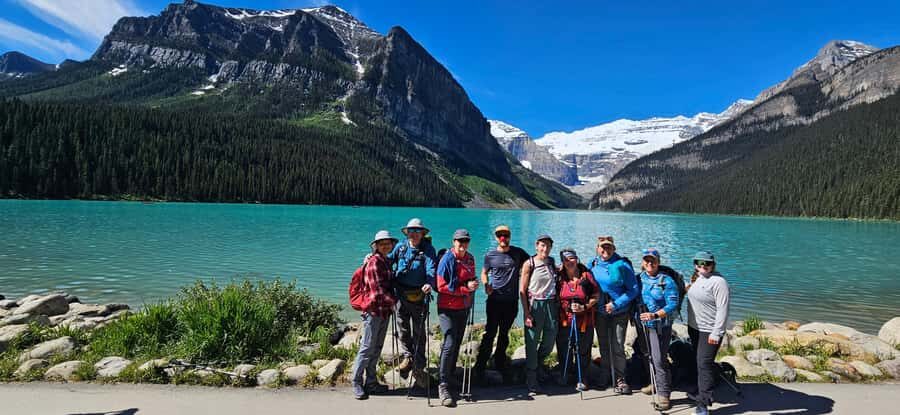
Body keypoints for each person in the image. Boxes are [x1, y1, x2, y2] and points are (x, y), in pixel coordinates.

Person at [473, 225, 529, 382]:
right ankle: (480, 365)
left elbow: (532, 263)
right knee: (490, 333)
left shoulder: (518, 253)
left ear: (509, 236)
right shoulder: (490, 255)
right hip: (494, 301)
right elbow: (484, 273)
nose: (502, 238)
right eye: (500, 235)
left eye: (505, 235)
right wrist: (485, 285)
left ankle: (499, 361)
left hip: (511, 302)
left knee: (504, 333)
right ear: (496, 238)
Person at [388, 218, 436, 387]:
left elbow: (431, 269)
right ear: (406, 232)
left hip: (419, 296)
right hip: (400, 294)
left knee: (419, 331)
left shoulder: (428, 250)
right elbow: (387, 261)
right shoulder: (400, 247)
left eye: (417, 231)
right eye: (411, 231)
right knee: (403, 328)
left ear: (423, 233)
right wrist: (371, 260)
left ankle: (419, 364)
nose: (414, 234)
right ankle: (408, 357)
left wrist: (429, 283)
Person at [351, 230, 399, 400]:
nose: (386, 246)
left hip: (383, 311)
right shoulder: (374, 263)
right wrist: (394, 302)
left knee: (377, 347)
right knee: (367, 347)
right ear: (376, 246)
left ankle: (371, 382)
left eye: (388, 243)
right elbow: (377, 291)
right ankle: (356, 382)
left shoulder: (385, 260)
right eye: (382, 244)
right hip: (373, 311)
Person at [589, 235, 639, 394]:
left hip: (619, 312)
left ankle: (620, 378)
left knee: (617, 346)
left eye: (609, 247)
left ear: (614, 248)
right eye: (602, 247)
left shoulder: (623, 265)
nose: (605, 250)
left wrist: (616, 304)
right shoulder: (593, 264)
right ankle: (605, 374)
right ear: (597, 249)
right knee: (603, 345)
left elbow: (633, 290)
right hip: (600, 312)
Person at [435, 229, 478, 407]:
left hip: (463, 308)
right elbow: (440, 285)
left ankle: (450, 374)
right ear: (454, 242)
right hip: (447, 308)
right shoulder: (447, 259)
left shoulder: (470, 259)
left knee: (457, 342)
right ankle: (442, 383)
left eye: (466, 241)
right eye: (460, 241)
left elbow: (471, 279)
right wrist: (465, 289)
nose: (463, 244)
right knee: (449, 342)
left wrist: (474, 285)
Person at [686, 251, 731, 415]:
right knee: (698, 361)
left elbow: (723, 309)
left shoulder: (719, 282)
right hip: (694, 328)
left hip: (709, 331)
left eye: (707, 263)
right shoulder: (696, 278)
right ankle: (700, 389)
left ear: (713, 265)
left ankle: (703, 404)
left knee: (704, 364)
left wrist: (716, 332)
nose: (702, 266)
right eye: (699, 263)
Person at [636, 248, 680, 411]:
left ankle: (664, 395)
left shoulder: (666, 281)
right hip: (642, 325)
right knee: (647, 355)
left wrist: (655, 315)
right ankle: (653, 383)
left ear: (658, 262)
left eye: (653, 260)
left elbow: (672, 304)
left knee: (659, 359)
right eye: (646, 260)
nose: (649, 263)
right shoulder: (639, 278)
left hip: (660, 326)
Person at [554, 248, 599, 390]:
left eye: (572, 258)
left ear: (577, 258)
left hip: (585, 320)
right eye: (566, 260)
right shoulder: (559, 277)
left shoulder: (586, 276)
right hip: (564, 319)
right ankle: (564, 373)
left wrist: (584, 306)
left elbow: (596, 295)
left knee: (583, 349)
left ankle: (582, 377)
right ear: (562, 262)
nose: (569, 262)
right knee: (563, 348)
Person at [519, 234, 559, 395]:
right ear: (536, 246)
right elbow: (522, 290)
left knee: (550, 340)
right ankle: (531, 377)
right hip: (535, 305)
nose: (545, 248)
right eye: (542, 245)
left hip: (551, 304)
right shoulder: (529, 263)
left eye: (548, 246)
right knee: (531, 341)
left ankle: (536, 364)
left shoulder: (551, 262)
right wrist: (527, 312)